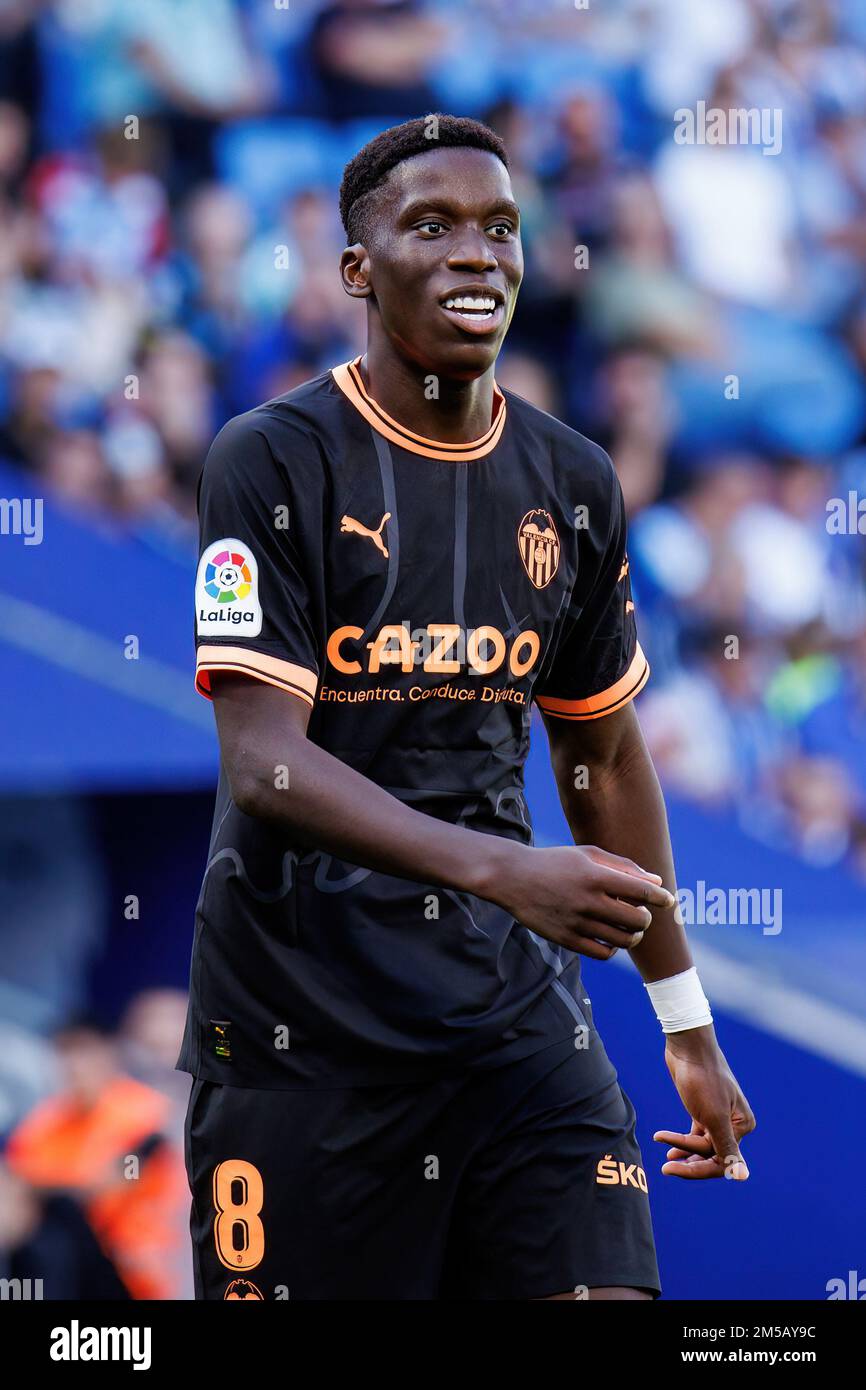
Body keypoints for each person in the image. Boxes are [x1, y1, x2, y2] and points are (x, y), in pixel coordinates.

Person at [178, 115, 755, 1301]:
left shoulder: (572, 481)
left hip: (511, 1018)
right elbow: (263, 765)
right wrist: (501, 869)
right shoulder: (271, 459)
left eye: (498, 227)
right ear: (356, 268)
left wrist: (681, 1019)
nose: (474, 253)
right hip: (302, 1026)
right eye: (429, 226)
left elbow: (599, 751)